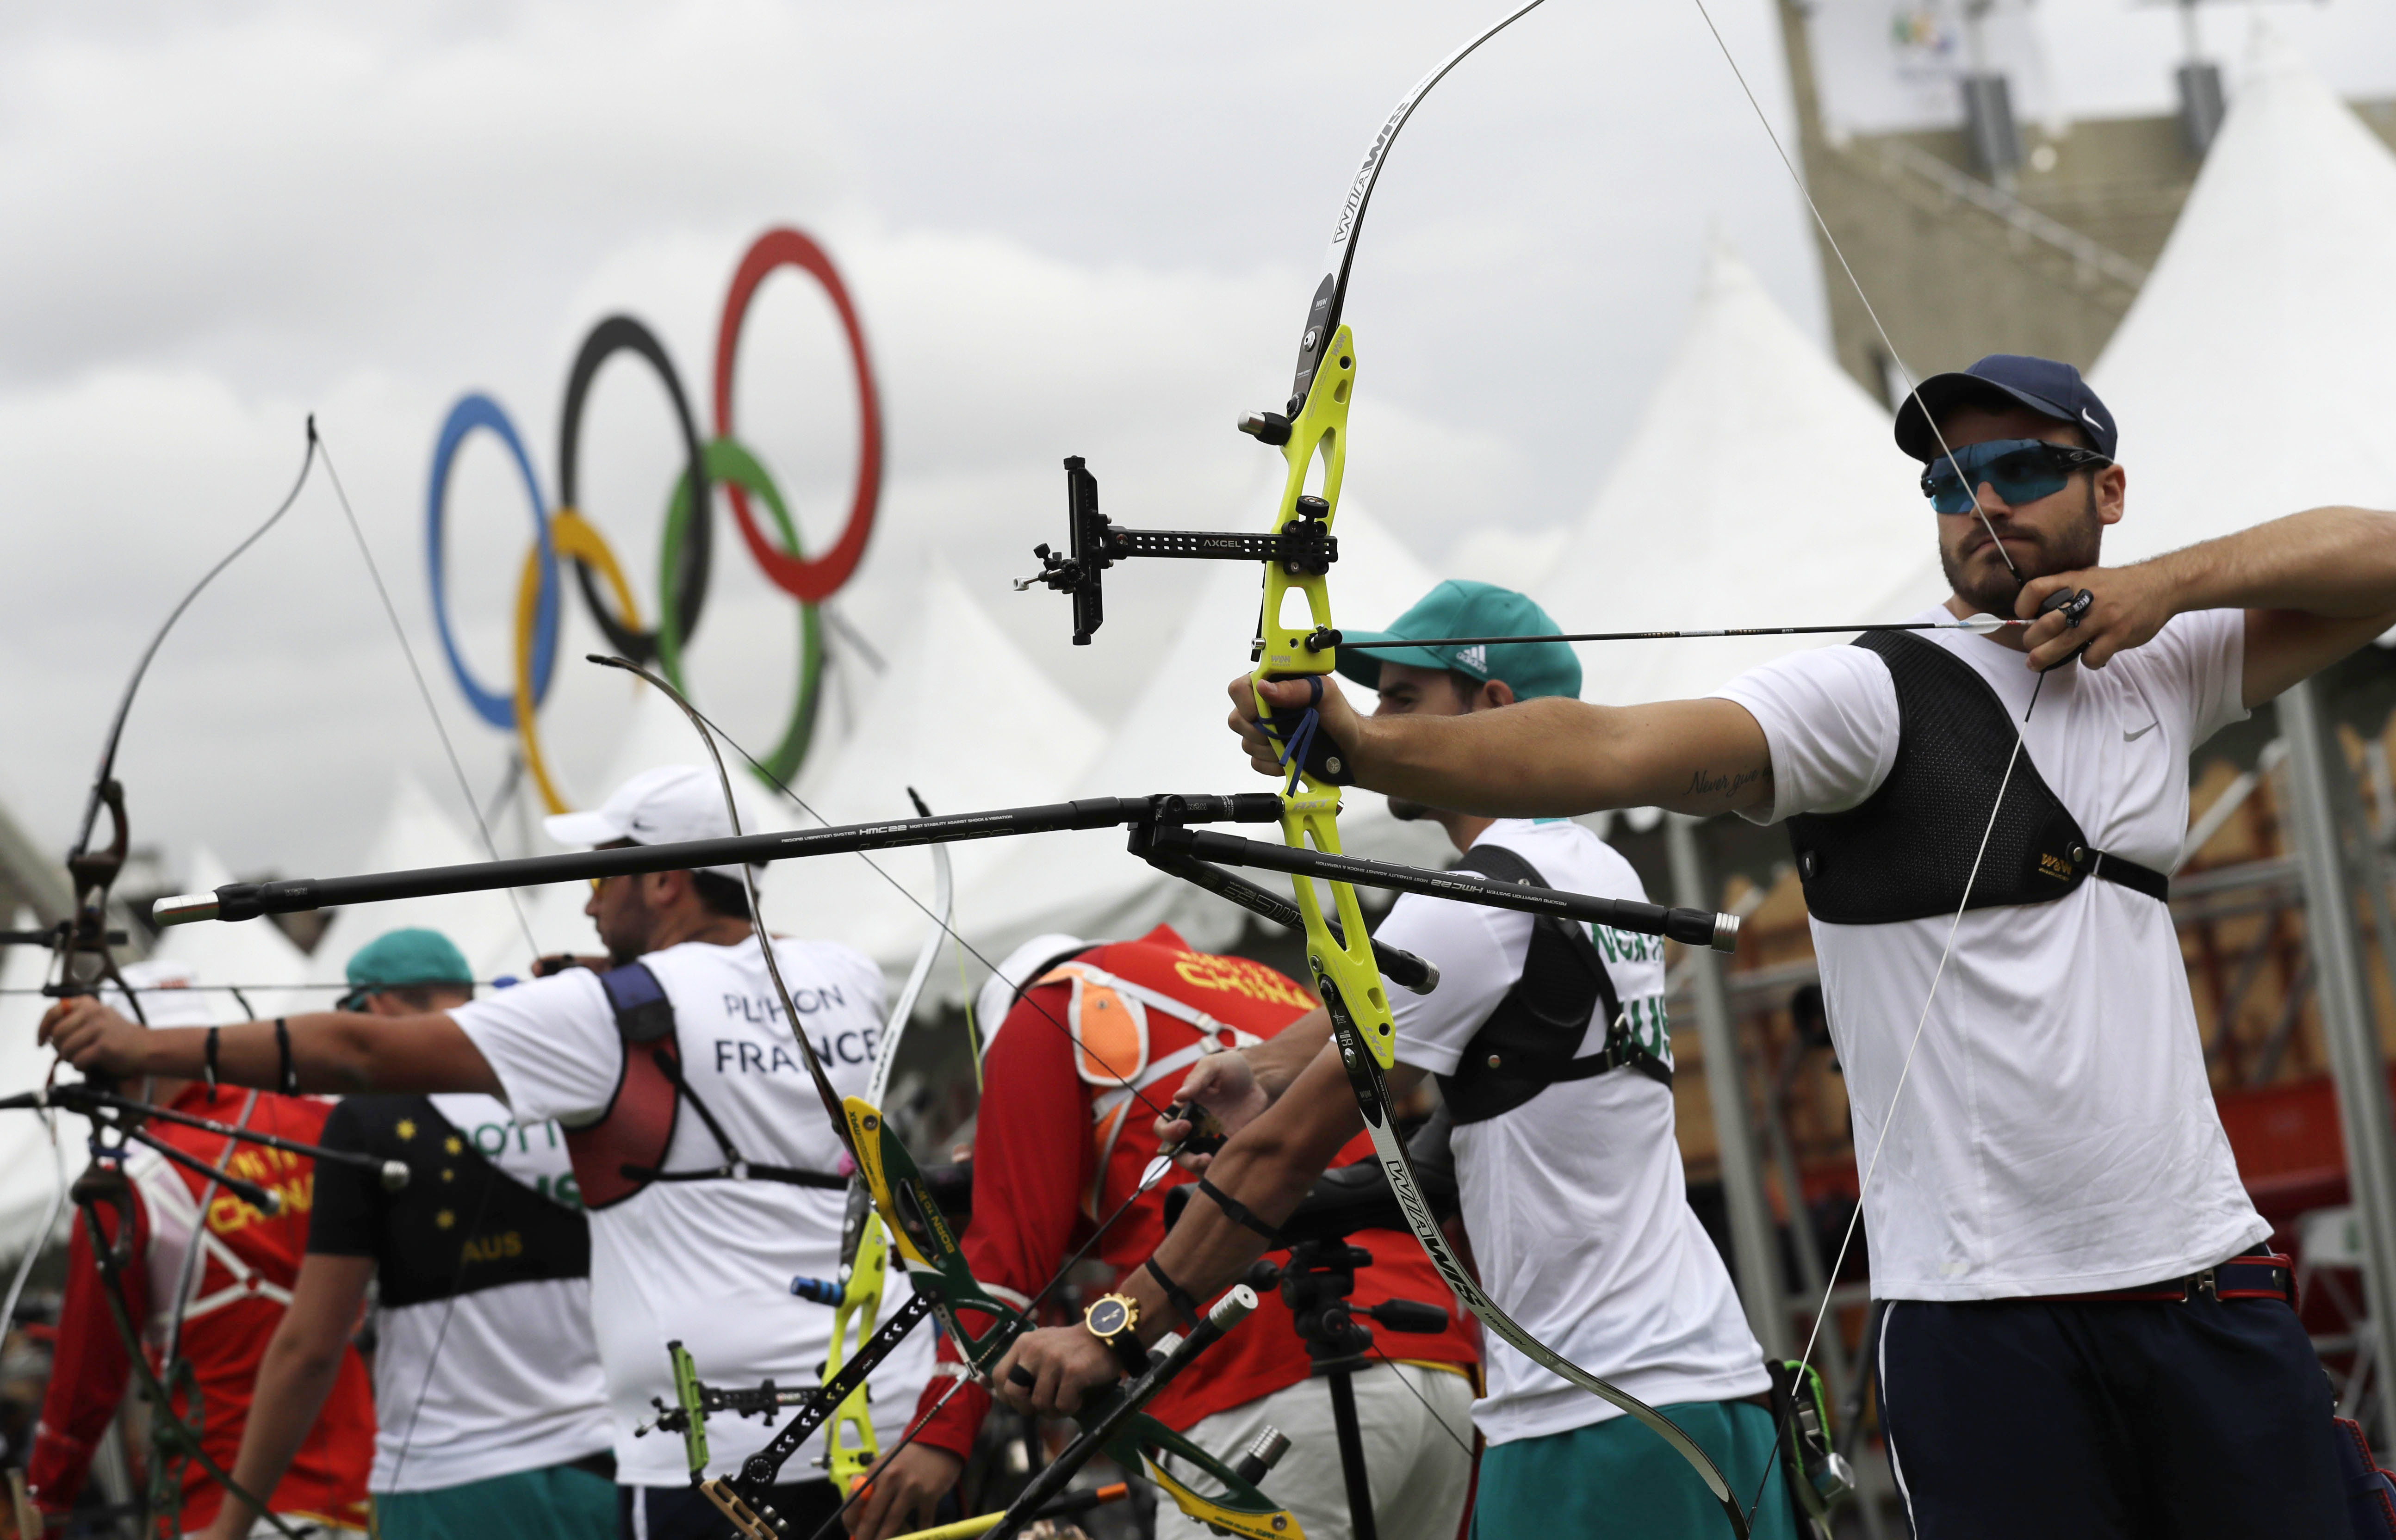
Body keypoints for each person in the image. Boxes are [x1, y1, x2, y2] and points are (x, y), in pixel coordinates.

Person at [1204, 356, 2396, 1535]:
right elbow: (1617, 748)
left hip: (2201, 1274)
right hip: (1985, 1321)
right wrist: (1361, 746)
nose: (1983, 500)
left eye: (2024, 468)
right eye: (1950, 481)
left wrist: (2161, 587)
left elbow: (2380, 556)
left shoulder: (2164, 667)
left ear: (2108, 488)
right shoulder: (1870, 696)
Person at [992, 584, 1790, 1540]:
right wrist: (1265, 1069)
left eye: (1405, 699)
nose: (1376, 724)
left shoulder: (1477, 895)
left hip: (1594, 1415)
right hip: (1701, 1388)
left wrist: (1111, 1330)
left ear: (1493, 708)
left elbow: (1281, 1151)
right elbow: (1400, 1038)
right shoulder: (1588, 870)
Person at [43, 766, 933, 1540]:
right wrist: (612, 977)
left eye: (599, 872)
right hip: (887, 1414)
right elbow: (735, 993)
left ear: (664, 880)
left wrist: (139, 1045)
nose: (586, 898)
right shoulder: (844, 974)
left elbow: (360, 1054)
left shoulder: (602, 1016)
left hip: (723, 1451)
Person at [849, 925, 1479, 1540]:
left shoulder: (1048, 1003)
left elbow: (1008, 1259)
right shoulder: (1267, 985)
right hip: (1440, 1369)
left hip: (1264, 1387)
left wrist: (938, 1434)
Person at [197, 928, 614, 1540]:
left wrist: (232, 1523)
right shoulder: (575, 1088)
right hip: (614, 1471)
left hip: (451, 1488)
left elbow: (310, 1349)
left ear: (378, 1005)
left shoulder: (368, 1119)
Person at [27, 960, 374, 1538]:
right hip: (370, 1491)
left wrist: (47, 1495)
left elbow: (88, 1373)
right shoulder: (327, 1125)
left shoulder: (125, 1184)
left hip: (223, 1510)